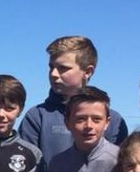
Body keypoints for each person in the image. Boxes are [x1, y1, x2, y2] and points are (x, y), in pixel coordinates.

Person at [19, 36, 128, 164]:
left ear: (87, 72)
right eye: (51, 67)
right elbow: (26, 170)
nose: (53, 74)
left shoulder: (113, 121)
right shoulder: (36, 117)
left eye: (63, 68)